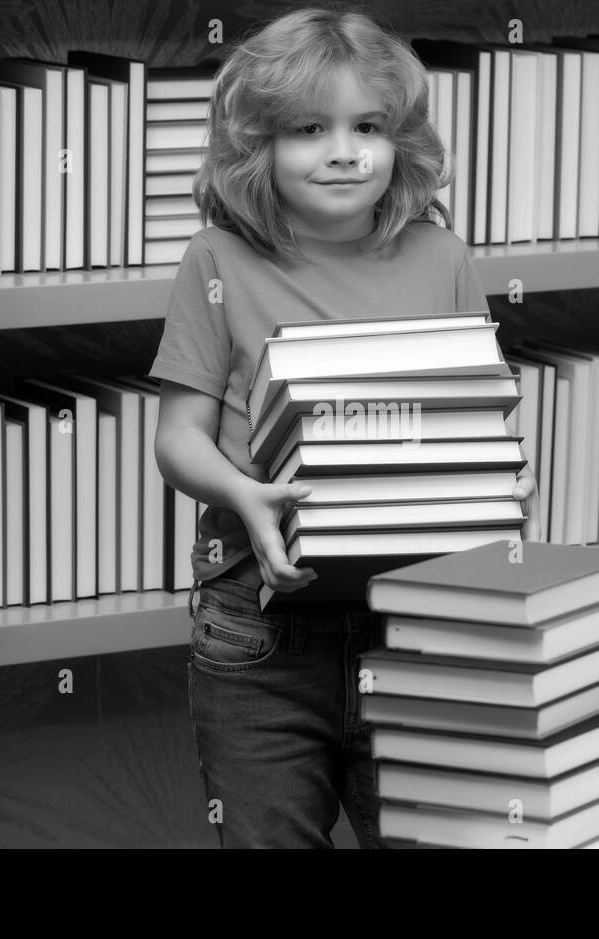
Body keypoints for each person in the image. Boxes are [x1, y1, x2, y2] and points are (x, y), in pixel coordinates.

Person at [149, 7, 540, 848]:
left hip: (421, 622)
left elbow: (481, 409)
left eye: (369, 126)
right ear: (255, 146)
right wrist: (246, 495)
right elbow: (177, 436)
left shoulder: (443, 256)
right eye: (307, 129)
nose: (344, 150)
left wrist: (507, 481)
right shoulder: (216, 260)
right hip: (260, 629)